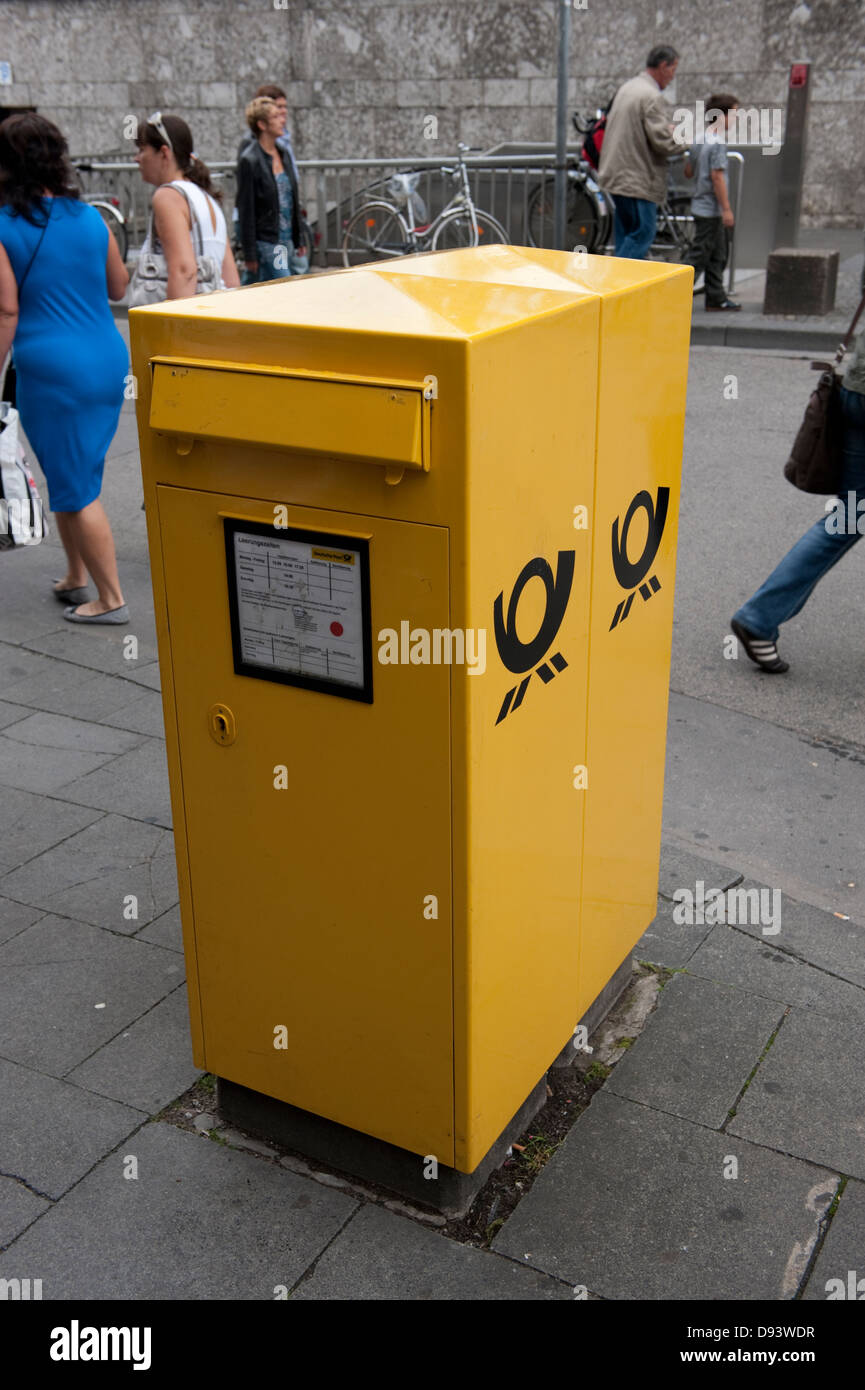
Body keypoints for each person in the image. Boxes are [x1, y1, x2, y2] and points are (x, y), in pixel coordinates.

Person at [0, 113, 130, 623]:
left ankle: (111, 597)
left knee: (75, 482)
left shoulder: (5, 225)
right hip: (104, 358)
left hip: (52, 368)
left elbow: (7, 310)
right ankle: (77, 575)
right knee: (72, 469)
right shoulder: (91, 218)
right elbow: (117, 288)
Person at [731, 337, 865, 673]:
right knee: (848, 518)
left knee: (848, 518)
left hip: (857, 388)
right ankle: (759, 616)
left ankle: (760, 617)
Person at [134, 112, 240, 299]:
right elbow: (231, 280)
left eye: (142, 149)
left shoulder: (168, 196)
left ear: (164, 152)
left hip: (187, 321)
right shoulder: (207, 198)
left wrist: (173, 327)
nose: (137, 158)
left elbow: (184, 271)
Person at [598, 44, 682, 259]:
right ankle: (618, 287)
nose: (673, 77)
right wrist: (687, 138)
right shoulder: (651, 96)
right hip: (636, 178)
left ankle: (620, 285)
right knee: (642, 234)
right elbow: (663, 143)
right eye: (673, 69)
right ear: (663, 66)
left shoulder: (629, 87)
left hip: (617, 174)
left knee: (626, 234)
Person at [236, 96, 306, 284]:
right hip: (268, 241)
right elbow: (246, 209)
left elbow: (292, 198)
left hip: (286, 237)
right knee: (285, 285)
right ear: (262, 124)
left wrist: (299, 238)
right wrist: (250, 253)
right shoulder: (250, 160)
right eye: (275, 117)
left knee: (261, 285)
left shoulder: (283, 153)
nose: (282, 120)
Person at [682, 95, 740, 312]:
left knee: (717, 253)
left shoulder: (700, 139)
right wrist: (726, 209)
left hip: (700, 205)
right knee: (699, 256)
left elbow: (688, 171)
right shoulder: (717, 144)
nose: (735, 119)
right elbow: (717, 177)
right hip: (711, 209)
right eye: (733, 114)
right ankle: (673, 294)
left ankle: (716, 297)